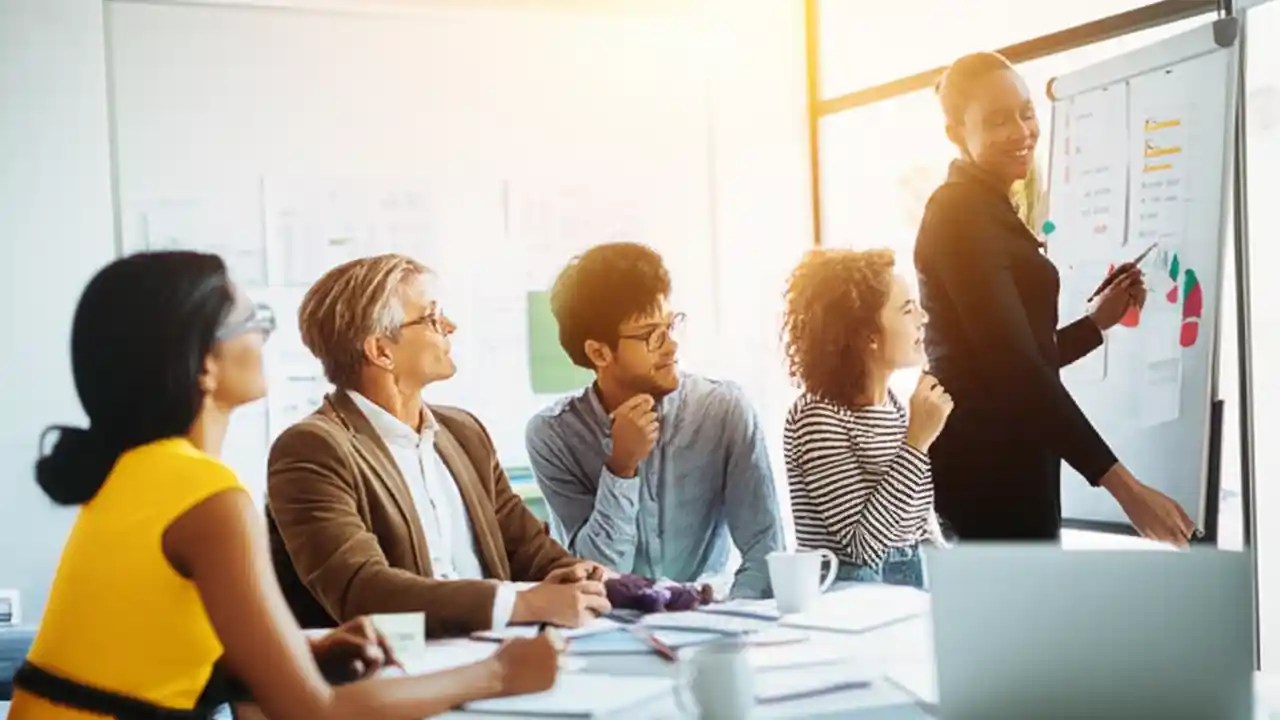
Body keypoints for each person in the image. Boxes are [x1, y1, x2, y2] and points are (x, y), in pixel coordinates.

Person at [10, 252, 559, 720]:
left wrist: (307, 646)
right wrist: (498, 674)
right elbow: (313, 712)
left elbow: (156, 643)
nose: (266, 338)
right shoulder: (207, 496)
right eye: (254, 320)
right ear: (204, 363)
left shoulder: (139, 473)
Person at [914, 51, 1195, 544]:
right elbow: (1015, 370)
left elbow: (1017, 356)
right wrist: (1127, 490)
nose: (1022, 131)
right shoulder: (959, 214)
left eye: (1026, 112)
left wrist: (1095, 324)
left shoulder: (990, 209)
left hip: (1018, 458)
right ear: (957, 131)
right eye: (997, 119)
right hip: (986, 473)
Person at [267, 254, 610, 638]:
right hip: (394, 674)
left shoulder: (463, 432)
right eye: (432, 318)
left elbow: (527, 549)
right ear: (381, 351)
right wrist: (524, 603)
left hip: (498, 655)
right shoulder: (312, 448)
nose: (450, 326)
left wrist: (579, 576)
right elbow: (362, 591)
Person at [526, 242, 784, 599]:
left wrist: (731, 616)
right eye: (652, 334)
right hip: (607, 632)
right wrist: (621, 467)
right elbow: (597, 571)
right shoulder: (553, 434)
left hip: (713, 621)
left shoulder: (723, 410)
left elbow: (765, 551)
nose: (672, 345)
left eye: (671, 325)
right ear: (599, 352)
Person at [782, 249, 951, 589]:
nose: (924, 318)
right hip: (853, 603)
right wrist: (917, 443)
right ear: (867, 336)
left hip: (907, 592)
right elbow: (863, 547)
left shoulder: (893, 406)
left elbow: (917, 526)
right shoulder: (816, 418)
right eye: (907, 310)